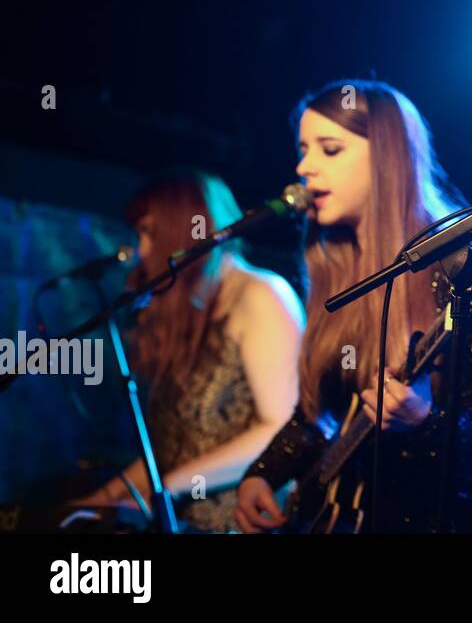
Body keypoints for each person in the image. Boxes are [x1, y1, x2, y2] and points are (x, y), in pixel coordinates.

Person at [234, 80, 472, 534]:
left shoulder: (461, 261)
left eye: (329, 149)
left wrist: (424, 419)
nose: (303, 167)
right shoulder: (333, 264)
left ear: (387, 157)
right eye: (303, 149)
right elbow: (317, 415)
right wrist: (262, 475)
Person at [72, 168, 305, 532]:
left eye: (149, 233)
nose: (141, 251)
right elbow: (168, 454)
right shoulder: (193, 312)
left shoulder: (260, 295)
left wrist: (168, 489)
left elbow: (282, 427)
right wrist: (100, 501)